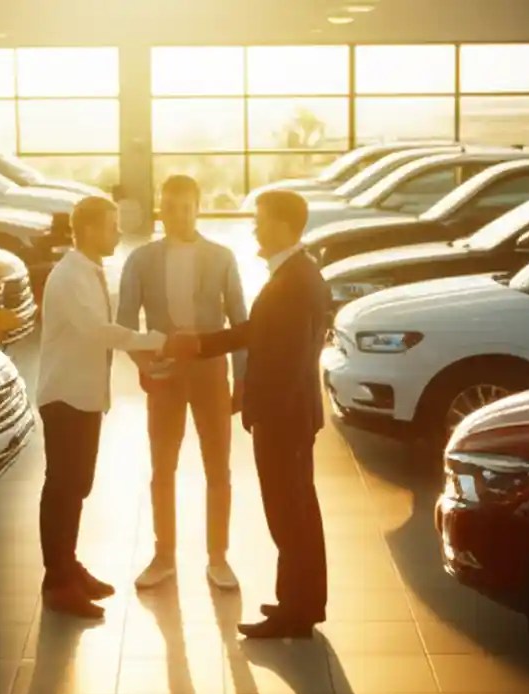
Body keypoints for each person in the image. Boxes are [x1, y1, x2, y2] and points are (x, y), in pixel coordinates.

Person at [180, 189, 330, 638]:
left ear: (283, 225)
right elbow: (258, 331)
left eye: (260, 220)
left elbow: (286, 360)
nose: (254, 229)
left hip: (284, 419)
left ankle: (297, 611)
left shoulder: (294, 281)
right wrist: (202, 344)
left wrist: (263, 413)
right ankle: (301, 602)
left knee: (289, 514)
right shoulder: (297, 273)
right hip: (293, 415)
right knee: (298, 511)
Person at [36, 195, 195, 619]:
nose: (118, 232)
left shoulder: (87, 271)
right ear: (89, 230)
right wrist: (158, 341)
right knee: (63, 489)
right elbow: (100, 331)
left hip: (84, 397)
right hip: (66, 398)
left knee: (77, 486)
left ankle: (68, 567)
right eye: (111, 226)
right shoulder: (69, 277)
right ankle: (58, 582)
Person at [118, 175, 248, 592]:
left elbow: (241, 324)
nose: (177, 215)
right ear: (161, 208)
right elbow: (125, 325)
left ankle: (218, 557)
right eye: (170, 207)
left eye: (185, 207)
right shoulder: (141, 260)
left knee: (218, 467)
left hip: (211, 372)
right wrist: (144, 363)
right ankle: (164, 556)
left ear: (198, 208)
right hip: (166, 374)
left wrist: (243, 380)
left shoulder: (222, 257)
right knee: (162, 468)